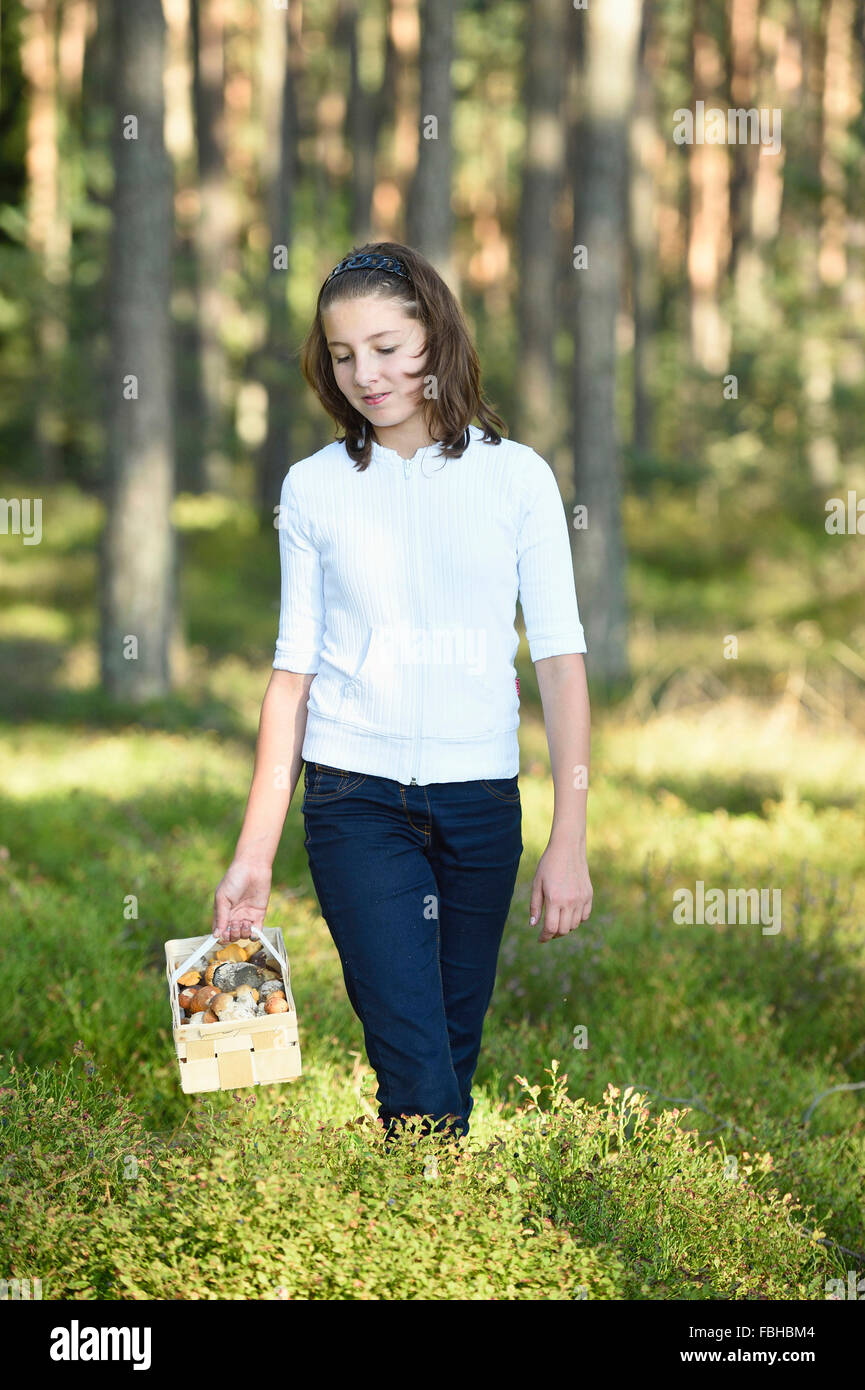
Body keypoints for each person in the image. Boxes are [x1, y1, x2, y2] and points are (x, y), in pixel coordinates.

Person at [212, 242, 593, 1147]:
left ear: (436, 336)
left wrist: (568, 838)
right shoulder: (312, 488)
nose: (365, 375)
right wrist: (253, 851)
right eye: (343, 356)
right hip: (354, 802)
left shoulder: (516, 478)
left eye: (385, 347)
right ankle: (441, 1237)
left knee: (450, 1049)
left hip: (481, 806)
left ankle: (410, 1226)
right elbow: (292, 673)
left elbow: (561, 662)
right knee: (416, 1062)